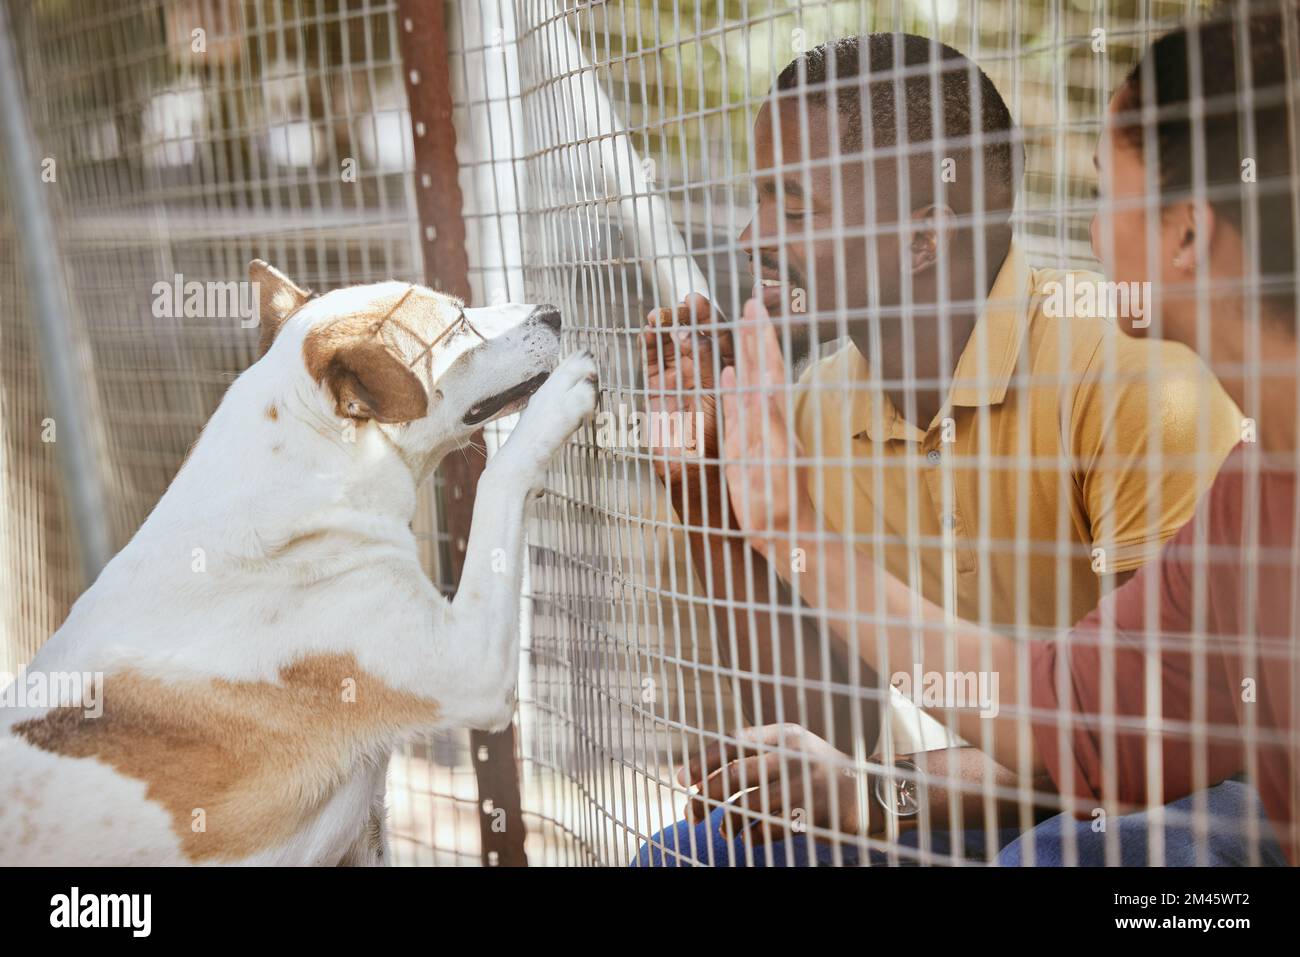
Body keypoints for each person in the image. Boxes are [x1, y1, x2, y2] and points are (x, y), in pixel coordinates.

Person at [711, 1, 1297, 866]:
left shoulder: (1138, 387)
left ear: (1187, 231)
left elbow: (1154, 782)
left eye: (1107, 191)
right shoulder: (1252, 493)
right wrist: (757, 516)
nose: (1093, 234)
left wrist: (886, 792)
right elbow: (1064, 717)